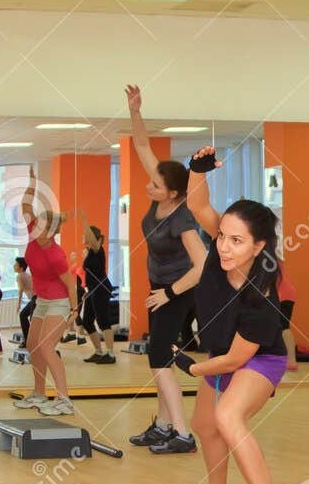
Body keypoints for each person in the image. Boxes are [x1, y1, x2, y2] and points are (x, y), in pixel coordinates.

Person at [171, 184, 293, 484]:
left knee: (227, 416)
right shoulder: (218, 256)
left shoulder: (264, 296)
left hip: (259, 360)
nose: (224, 246)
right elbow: (197, 202)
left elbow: (238, 360)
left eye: (236, 241)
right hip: (222, 355)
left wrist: (194, 369)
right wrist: (198, 169)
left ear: (258, 247)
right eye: (222, 236)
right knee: (204, 425)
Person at [124, 83, 210, 454]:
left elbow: (203, 266)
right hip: (161, 288)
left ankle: (182, 433)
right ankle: (162, 426)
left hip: (182, 290)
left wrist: (170, 293)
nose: (149, 186)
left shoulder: (182, 218)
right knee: (160, 353)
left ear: (173, 192)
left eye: (156, 185)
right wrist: (136, 112)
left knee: (158, 356)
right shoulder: (162, 195)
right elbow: (142, 146)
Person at [13, 169, 80, 416]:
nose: (35, 227)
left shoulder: (56, 254)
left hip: (60, 302)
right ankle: (39, 393)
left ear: (50, 231)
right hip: (42, 301)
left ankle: (64, 399)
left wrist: (74, 310)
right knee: (33, 345)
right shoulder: (33, 236)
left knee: (46, 346)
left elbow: (71, 284)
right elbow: (25, 204)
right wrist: (32, 183)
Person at [75, 219, 116, 364]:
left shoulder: (97, 249)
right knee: (87, 322)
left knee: (103, 321)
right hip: (93, 290)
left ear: (92, 236)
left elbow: (93, 242)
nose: (83, 236)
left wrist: (85, 221)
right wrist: (88, 291)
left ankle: (110, 354)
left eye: (85, 234)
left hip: (101, 289)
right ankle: (99, 351)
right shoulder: (91, 252)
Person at [276, 267, 297, 371]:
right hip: (284, 293)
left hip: (284, 294)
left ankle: (291, 361)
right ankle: (289, 360)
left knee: (284, 326)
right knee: (282, 326)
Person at [14, 256, 35, 350]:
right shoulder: (27, 275)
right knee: (28, 317)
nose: (14, 266)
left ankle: (28, 342)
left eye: (15, 265)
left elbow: (20, 290)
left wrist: (18, 304)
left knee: (23, 315)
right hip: (37, 298)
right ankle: (29, 340)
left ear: (21, 267)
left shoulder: (19, 276)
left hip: (36, 299)